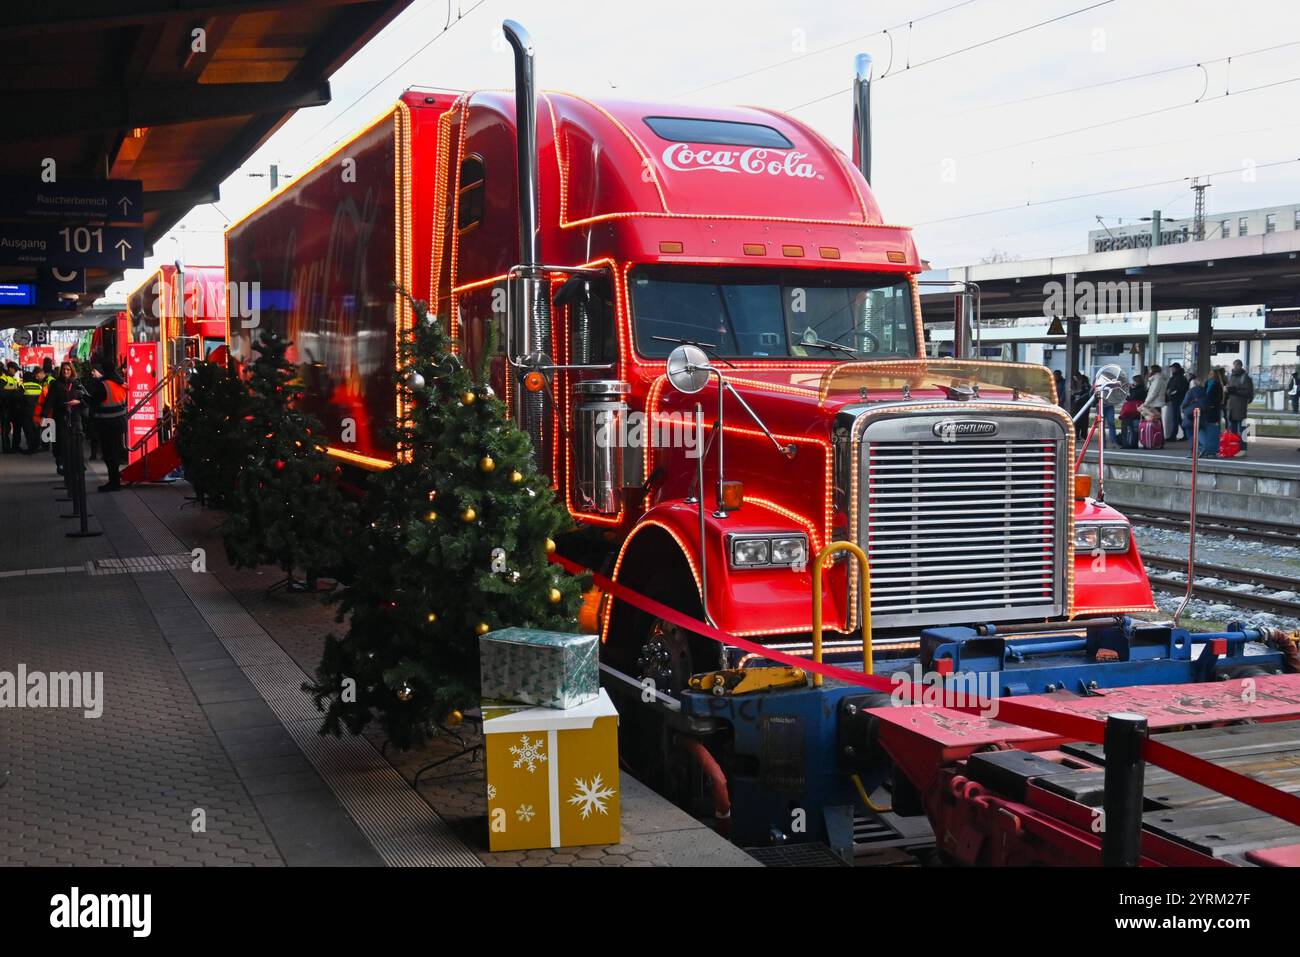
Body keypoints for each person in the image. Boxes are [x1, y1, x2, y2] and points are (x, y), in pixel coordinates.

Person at [74, 358, 128, 491]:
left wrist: (82, 395)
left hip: (107, 424)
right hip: (120, 422)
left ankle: (113, 483)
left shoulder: (104, 384)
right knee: (115, 453)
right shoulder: (120, 382)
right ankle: (115, 481)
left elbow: (94, 401)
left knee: (109, 455)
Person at [43, 361, 78, 475]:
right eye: (64, 369)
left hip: (74, 417)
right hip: (59, 417)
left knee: (75, 440)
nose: (66, 371)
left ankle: (74, 463)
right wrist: (44, 415)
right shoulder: (55, 384)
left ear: (71, 371)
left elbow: (85, 399)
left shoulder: (76, 383)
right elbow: (49, 400)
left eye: (68, 369)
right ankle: (60, 461)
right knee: (58, 441)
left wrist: (79, 402)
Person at [1225, 358, 1254, 455]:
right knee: (1232, 431)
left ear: (1240, 366)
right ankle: (1234, 448)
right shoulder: (1230, 377)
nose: (1235, 367)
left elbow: (1248, 392)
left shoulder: (1245, 378)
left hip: (1240, 406)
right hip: (1231, 407)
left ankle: (1243, 449)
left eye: (1236, 365)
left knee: (1242, 429)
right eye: (1234, 365)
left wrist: (1235, 391)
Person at [1199, 367, 1226, 458]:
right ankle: (1207, 447)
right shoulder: (1207, 383)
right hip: (1206, 409)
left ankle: (1213, 448)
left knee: (1213, 428)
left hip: (1213, 409)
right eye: (1209, 373)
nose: (1210, 375)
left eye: (1212, 374)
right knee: (1207, 428)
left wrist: (1212, 404)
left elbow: (1218, 398)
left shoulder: (1217, 385)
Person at [18, 367, 44, 455]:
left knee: (28, 430)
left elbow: (18, 398)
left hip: (26, 412)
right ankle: (36, 446)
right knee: (36, 429)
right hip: (37, 411)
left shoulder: (23, 386)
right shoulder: (39, 386)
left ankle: (30, 448)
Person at [1164, 362, 1188, 442]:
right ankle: (1184, 434)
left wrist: (1171, 393)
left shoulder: (1179, 378)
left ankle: (1174, 435)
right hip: (1175, 400)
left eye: (1172, 368)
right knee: (1177, 418)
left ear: (1176, 368)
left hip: (1177, 400)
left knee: (1176, 418)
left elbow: (1180, 389)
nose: (1171, 369)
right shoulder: (1177, 377)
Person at [1180, 374, 1203, 452]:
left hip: (1190, 416)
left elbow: (1184, 404)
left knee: (1190, 434)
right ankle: (1200, 448)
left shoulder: (1190, 392)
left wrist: (1183, 410)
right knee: (1199, 433)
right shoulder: (1203, 391)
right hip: (1201, 416)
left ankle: (1193, 450)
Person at [0, 361, 20, 453]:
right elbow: (1, 393)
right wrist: (13, 394)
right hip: (5, 407)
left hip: (15, 407)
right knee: (6, 429)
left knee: (17, 427)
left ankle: (16, 446)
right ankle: (6, 448)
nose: (15, 372)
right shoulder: (3, 379)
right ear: (10, 368)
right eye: (15, 370)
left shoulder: (15, 379)